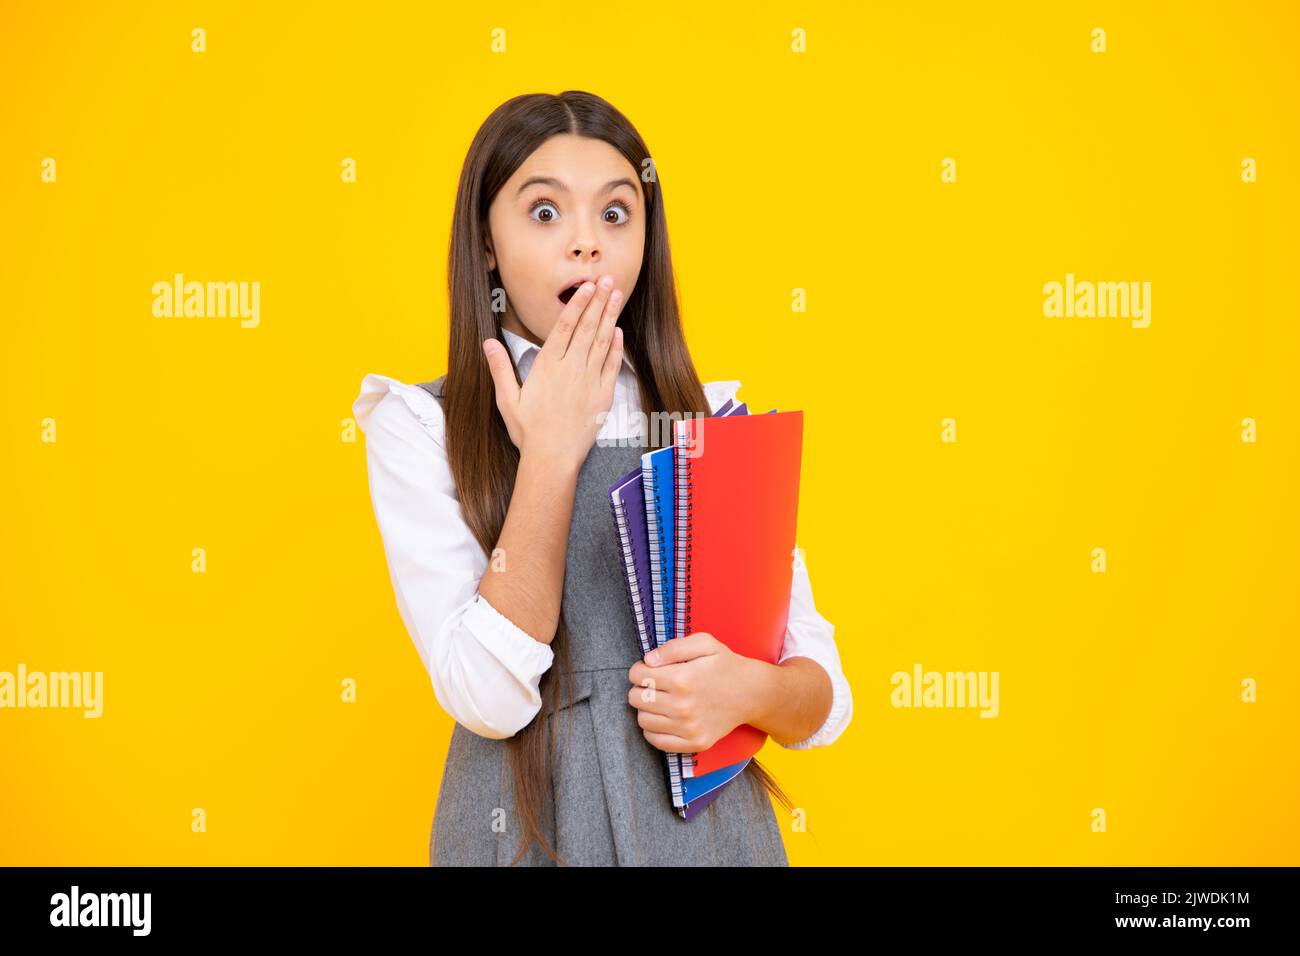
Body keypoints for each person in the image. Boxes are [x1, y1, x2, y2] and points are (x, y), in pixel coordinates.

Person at [352, 90, 852, 866]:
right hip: (522, 832)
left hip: (709, 839)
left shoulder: (708, 417)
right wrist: (550, 455)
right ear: (485, 243)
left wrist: (745, 693)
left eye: (615, 215)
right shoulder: (419, 424)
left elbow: (821, 697)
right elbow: (485, 696)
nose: (586, 243)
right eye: (545, 213)